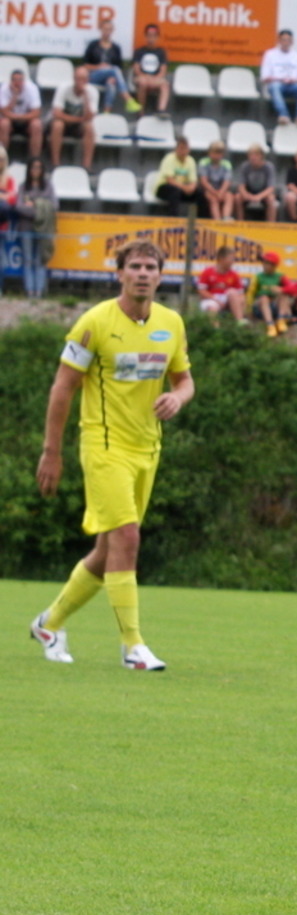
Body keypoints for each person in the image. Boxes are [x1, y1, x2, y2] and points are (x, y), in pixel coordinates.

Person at [28, 240, 194, 672]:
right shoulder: (94, 322)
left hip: (147, 448)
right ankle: (132, 646)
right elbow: (62, 388)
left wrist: (178, 398)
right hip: (103, 446)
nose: (142, 273)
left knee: (108, 551)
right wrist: (52, 452)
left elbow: (185, 381)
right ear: (118, 273)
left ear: (161, 275)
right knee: (127, 539)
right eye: (134, 266)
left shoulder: (171, 323)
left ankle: (50, 623)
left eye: (150, 267)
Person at [45, 64, 99, 169]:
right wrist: (79, 119)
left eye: (83, 79)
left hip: (77, 125)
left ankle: (87, 166)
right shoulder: (63, 88)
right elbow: (56, 113)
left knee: (89, 127)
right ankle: (55, 163)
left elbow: (90, 117)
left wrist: (86, 98)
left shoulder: (92, 92)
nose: (80, 81)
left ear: (87, 80)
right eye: (78, 78)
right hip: (63, 123)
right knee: (58, 125)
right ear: (73, 78)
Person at [82, 11, 132, 114]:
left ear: (113, 30)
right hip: (93, 76)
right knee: (113, 69)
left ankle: (106, 112)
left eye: (109, 29)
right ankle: (127, 98)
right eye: (105, 29)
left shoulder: (116, 48)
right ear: (100, 29)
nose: (107, 32)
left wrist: (112, 77)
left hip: (109, 78)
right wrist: (99, 67)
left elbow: (119, 69)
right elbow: (85, 66)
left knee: (111, 83)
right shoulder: (93, 45)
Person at [19, 157, 56, 298]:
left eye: (39, 167)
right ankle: (29, 291)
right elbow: (19, 206)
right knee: (28, 259)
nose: (36, 171)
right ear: (29, 170)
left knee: (40, 260)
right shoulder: (23, 187)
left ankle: (39, 292)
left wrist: (34, 205)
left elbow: (54, 205)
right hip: (26, 227)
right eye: (33, 167)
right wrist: (40, 208)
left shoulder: (48, 186)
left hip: (44, 228)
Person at [260, 29, 297, 125]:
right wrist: (280, 79)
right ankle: (283, 115)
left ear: (292, 42)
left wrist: (292, 80)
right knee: (275, 86)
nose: (286, 43)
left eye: (288, 40)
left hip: (293, 85)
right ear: (279, 41)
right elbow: (265, 77)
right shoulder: (270, 54)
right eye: (283, 40)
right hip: (277, 84)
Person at [196, 245, 246, 321]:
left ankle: (240, 322)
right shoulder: (208, 272)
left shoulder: (234, 275)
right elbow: (201, 290)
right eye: (231, 259)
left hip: (227, 300)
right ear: (221, 259)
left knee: (232, 292)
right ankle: (216, 330)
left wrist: (241, 302)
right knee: (212, 308)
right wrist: (216, 300)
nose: (233, 262)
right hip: (211, 299)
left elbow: (241, 294)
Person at [152, 137, 200, 215]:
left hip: (182, 188)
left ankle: (202, 221)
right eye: (181, 148)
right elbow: (170, 180)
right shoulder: (169, 158)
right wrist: (185, 188)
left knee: (200, 193)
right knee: (175, 192)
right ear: (176, 149)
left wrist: (191, 188)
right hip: (164, 188)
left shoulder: (191, 160)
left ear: (188, 150)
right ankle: (173, 219)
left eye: (185, 148)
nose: (183, 151)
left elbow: (193, 181)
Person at [3, 68, 43, 160]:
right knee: (4, 124)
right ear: (11, 81)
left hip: (26, 121)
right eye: (15, 80)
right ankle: (2, 159)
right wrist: (15, 96)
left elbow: (36, 112)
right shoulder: (4, 89)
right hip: (10, 122)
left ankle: (35, 160)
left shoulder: (32, 88)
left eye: (20, 80)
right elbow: (4, 112)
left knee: (36, 124)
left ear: (24, 81)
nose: (17, 83)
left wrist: (18, 117)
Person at [131, 23, 172, 113]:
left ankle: (161, 110)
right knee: (143, 82)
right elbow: (136, 69)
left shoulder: (161, 52)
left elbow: (163, 70)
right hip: (142, 77)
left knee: (165, 84)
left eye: (154, 36)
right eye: (149, 35)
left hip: (156, 78)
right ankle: (141, 111)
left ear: (157, 37)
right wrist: (145, 76)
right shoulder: (139, 51)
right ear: (145, 36)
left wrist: (155, 78)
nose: (151, 38)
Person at [234, 143, 279, 222]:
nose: (253, 157)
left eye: (255, 155)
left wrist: (259, 196)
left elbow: (271, 187)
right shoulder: (244, 166)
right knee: (238, 197)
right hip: (249, 192)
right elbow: (241, 185)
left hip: (263, 193)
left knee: (271, 199)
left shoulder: (269, 167)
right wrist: (246, 195)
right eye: (251, 155)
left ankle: (271, 225)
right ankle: (240, 223)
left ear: (261, 156)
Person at [251, 250, 288, 336]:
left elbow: (292, 288)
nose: (263, 264)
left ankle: (280, 320)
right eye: (264, 262)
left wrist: (281, 289)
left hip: (274, 307)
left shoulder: (280, 276)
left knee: (284, 294)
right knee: (264, 298)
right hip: (260, 308)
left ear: (274, 266)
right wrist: (248, 308)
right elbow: (251, 293)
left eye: (267, 263)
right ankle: (270, 325)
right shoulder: (258, 276)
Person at [198, 140, 236, 220]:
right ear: (209, 153)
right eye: (214, 153)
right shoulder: (203, 162)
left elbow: (227, 181)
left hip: (221, 190)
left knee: (229, 196)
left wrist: (221, 192)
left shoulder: (227, 164)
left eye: (219, 153)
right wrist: (214, 192)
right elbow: (204, 181)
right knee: (213, 199)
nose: (216, 155)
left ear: (222, 154)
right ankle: (217, 220)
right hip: (208, 190)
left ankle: (226, 217)